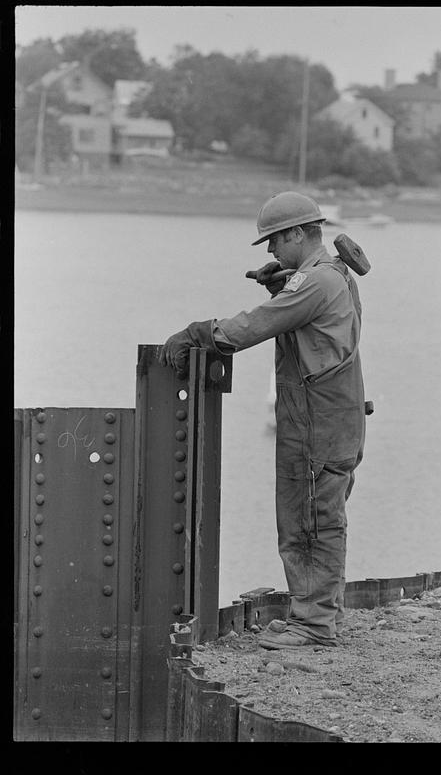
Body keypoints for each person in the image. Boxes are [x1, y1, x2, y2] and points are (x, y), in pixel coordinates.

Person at [159, 191, 366, 650]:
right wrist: (281, 285)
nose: (271, 251)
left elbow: (255, 326)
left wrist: (198, 333)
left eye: (274, 241)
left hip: (318, 422)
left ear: (297, 233)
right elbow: (308, 324)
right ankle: (312, 613)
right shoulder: (330, 276)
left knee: (313, 520)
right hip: (326, 418)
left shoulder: (315, 283)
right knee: (311, 516)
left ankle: (313, 625)